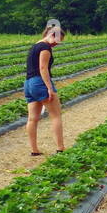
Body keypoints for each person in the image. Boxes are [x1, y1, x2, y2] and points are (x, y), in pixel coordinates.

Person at [25, 24, 65, 156]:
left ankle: (34, 150)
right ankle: (60, 148)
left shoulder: (35, 46)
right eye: (57, 41)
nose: (57, 44)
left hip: (28, 83)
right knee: (56, 115)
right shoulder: (45, 48)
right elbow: (43, 68)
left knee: (32, 119)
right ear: (52, 35)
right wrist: (49, 88)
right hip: (40, 82)